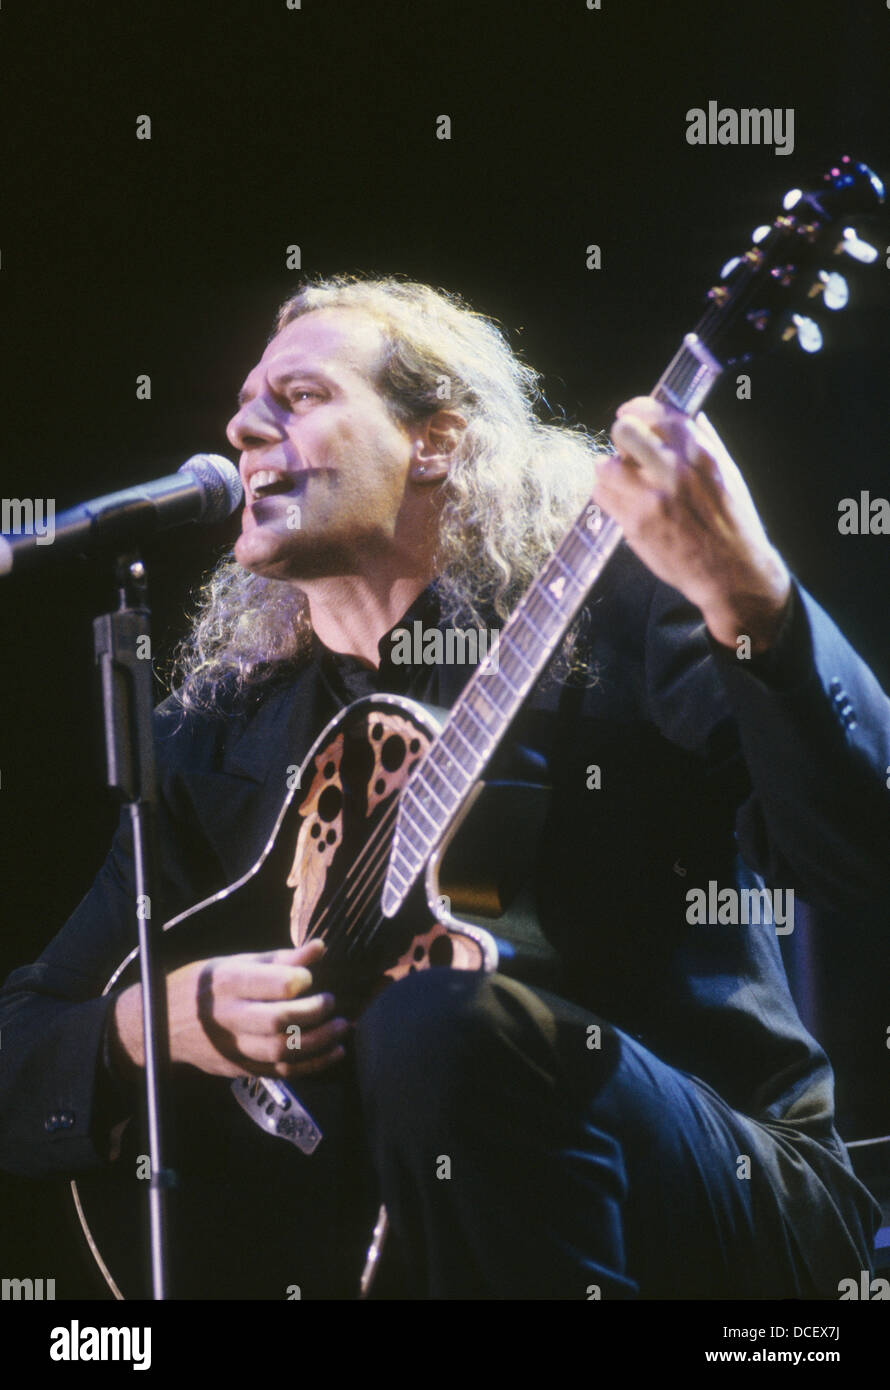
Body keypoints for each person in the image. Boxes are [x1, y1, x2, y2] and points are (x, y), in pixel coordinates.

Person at [1, 275, 888, 1300]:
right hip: (386, 1247)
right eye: (245, 404)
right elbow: (24, 1040)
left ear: (434, 441)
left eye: (297, 397)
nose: (244, 427)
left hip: (720, 1193)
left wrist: (751, 596)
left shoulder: (613, 612)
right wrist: (151, 1023)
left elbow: (853, 849)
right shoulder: (216, 738)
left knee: (437, 1019)